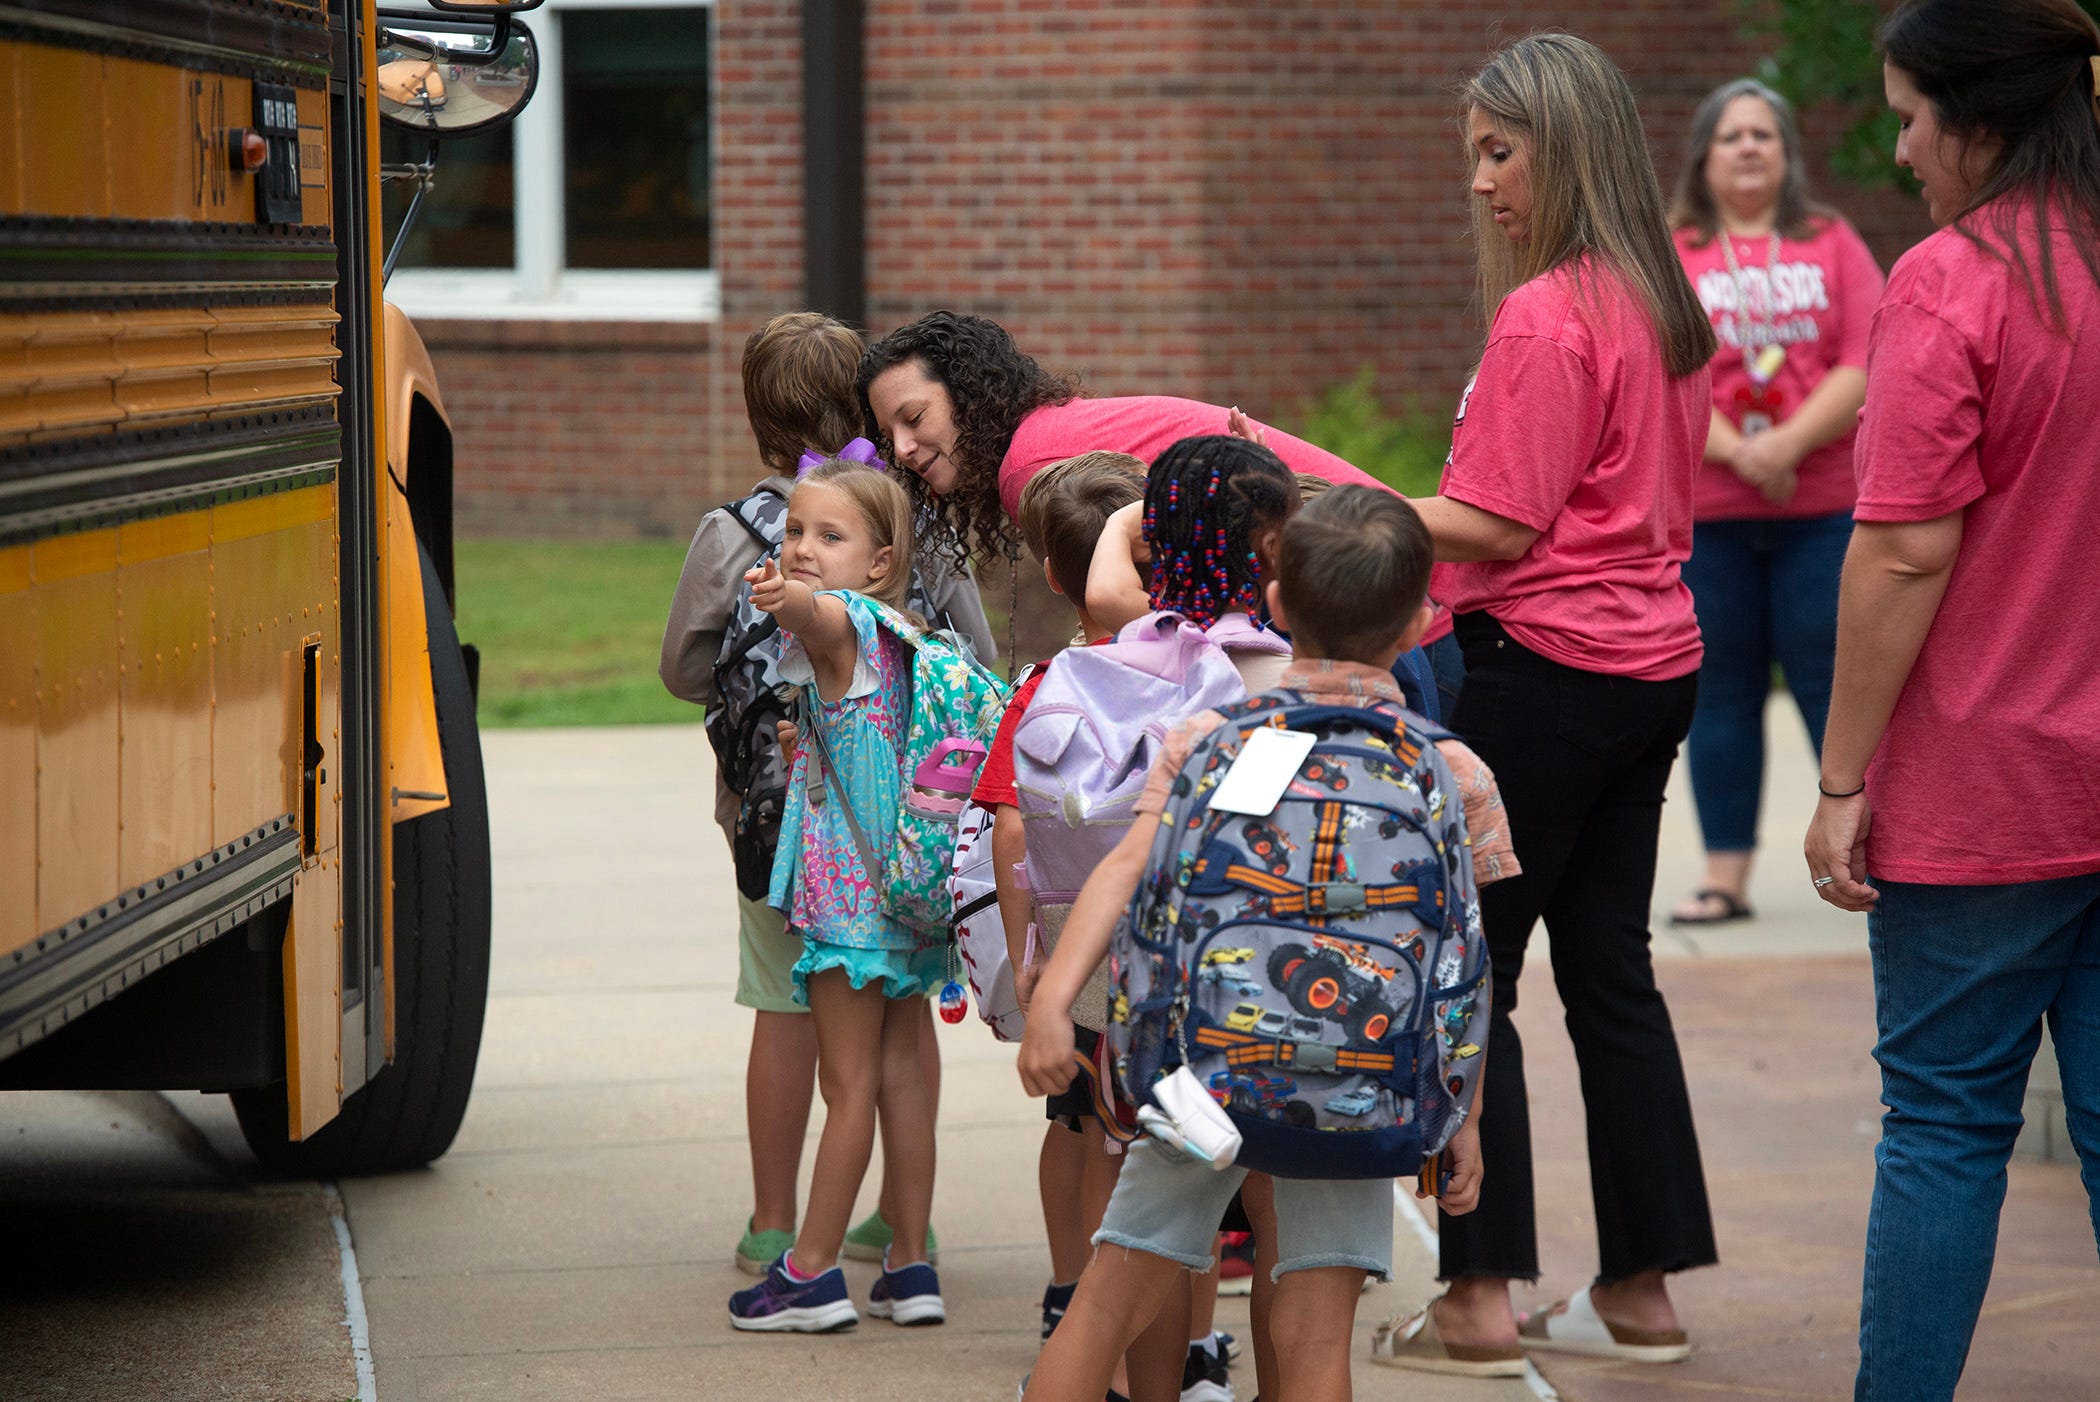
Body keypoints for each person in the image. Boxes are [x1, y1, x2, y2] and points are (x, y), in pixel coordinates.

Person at [1373, 33, 1718, 1375]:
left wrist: (1340, 510)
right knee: (1611, 975)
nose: (1479, 184)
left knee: (1474, 973)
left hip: (1548, 670)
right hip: (1651, 665)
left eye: (1499, 152)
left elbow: (1498, 523)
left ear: (1564, 150)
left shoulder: (1550, 310)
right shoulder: (1660, 298)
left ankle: (1476, 1295)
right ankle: (1641, 1289)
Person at [1016, 485, 1515, 1402]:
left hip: (1198, 1073)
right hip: (1358, 1087)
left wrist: (1053, 1005)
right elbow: (1469, 962)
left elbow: (1125, 869)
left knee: (1104, 1306)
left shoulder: (1206, 740)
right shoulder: (1455, 773)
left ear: (1276, 601)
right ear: (1417, 622)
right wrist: (1464, 1116)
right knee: (1318, 1337)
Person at [1803, 2, 2100, 1396]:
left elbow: (1908, 544)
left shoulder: (1952, 280)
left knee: (1942, 1125)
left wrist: (1842, 775)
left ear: (1982, 119)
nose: (1903, 145)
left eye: (1914, 116)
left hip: (1985, 787)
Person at [659, 312, 992, 1279]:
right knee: (896, 1018)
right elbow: (970, 656)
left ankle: (773, 1219)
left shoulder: (733, 532)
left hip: (773, 824)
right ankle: (898, 1218)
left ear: (756, 410)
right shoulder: (907, 524)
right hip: (905, 834)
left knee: (782, 1005)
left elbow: (682, 667)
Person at [723, 459, 953, 1332]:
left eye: (830, 537)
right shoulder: (904, 639)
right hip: (907, 904)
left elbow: (811, 611)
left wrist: (781, 592)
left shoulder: (841, 622)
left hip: (849, 911)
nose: (804, 549)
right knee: (901, 1081)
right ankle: (910, 1263)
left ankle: (811, 1272)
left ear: (880, 562)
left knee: (847, 1086)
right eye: (793, 532)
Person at [1664, 79, 1886, 926]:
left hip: (1822, 510)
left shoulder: (1830, 241)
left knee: (1837, 683)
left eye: (1764, 134)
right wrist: (1743, 455)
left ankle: (1861, 852)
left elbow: (1864, 357)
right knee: (1721, 692)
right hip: (1711, 514)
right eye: (1732, 136)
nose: (1749, 147)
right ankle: (1725, 878)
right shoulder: (1675, 248)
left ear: (1788, 152)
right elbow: (1667, 368)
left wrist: (1786, 448)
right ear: (1705, 155)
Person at [967, 452, 1155, 1387]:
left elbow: (1010, 827)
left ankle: (1069, 1288)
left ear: (1052, 575)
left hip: (1073, 956)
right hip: (1164, 963)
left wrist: (1027, 956)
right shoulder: (1194, 674)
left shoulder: (1051, 684)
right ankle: (1171, 1337)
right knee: (1145, 1149)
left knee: (1073, 1124)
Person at [855, 311, 1384, 573]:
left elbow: (1131, 617)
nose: (901, 448)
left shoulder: (1032, 468)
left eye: (914, 417)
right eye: (887, 435)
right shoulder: (1044, 432)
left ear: (968, 395)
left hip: (1374, 588)